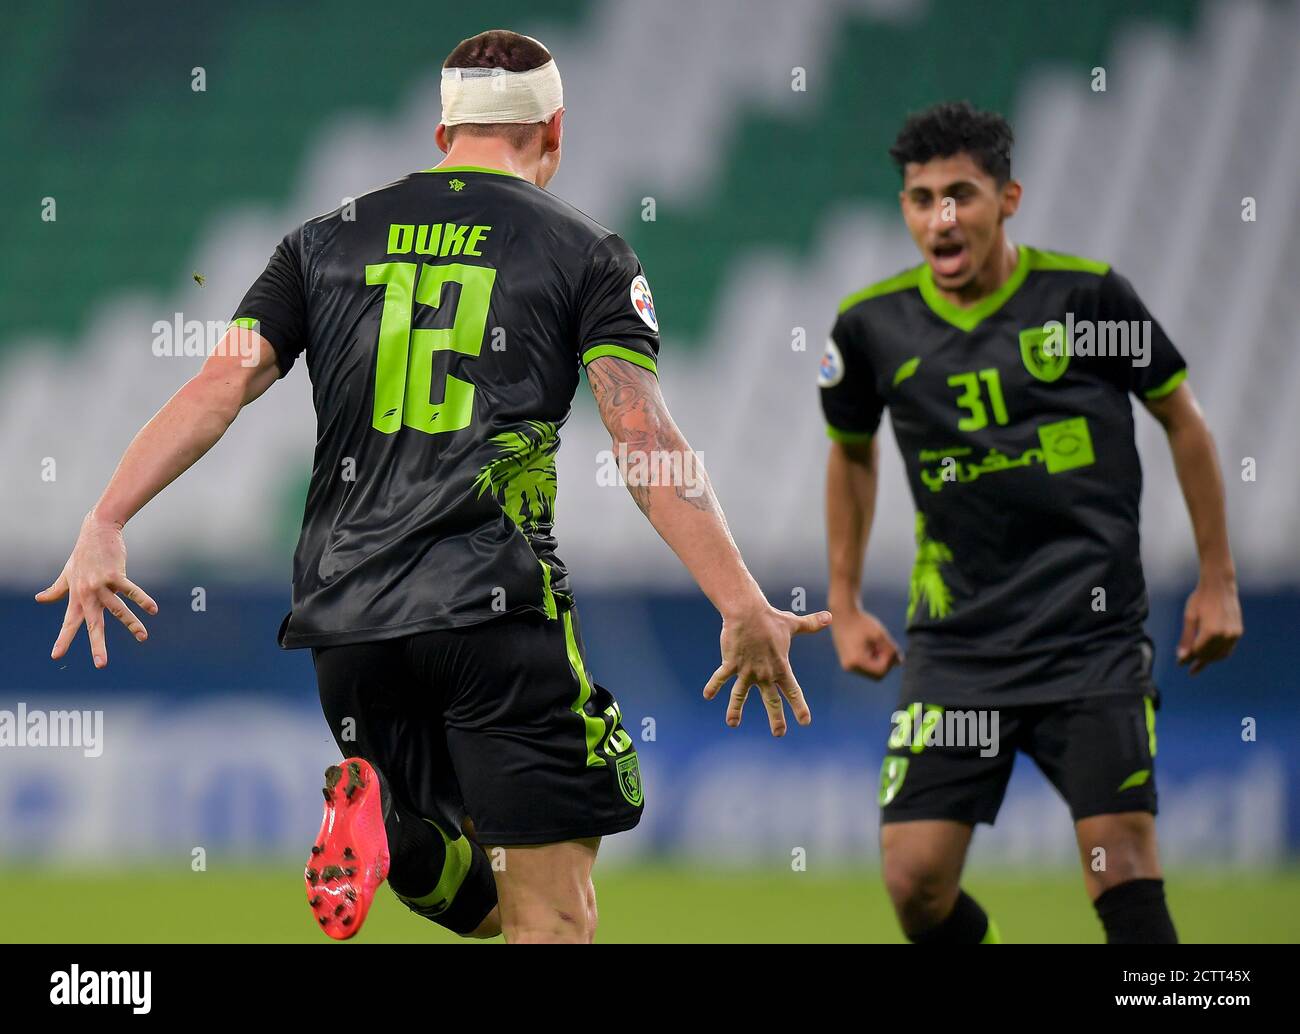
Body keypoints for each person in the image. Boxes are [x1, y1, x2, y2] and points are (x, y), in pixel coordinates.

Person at [37, 29, 829, 944]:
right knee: (554, 922)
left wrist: (105, 517)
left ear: (442, 128)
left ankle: (401, 840)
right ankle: (403, 837)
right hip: (492, 612)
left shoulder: (319, 241)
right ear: (555, 130)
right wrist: (739, 599)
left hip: (349, 628)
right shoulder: (586, 253)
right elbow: (641, 437)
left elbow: (217, 390)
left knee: (478, 903)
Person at [820, 101, 1242, 944]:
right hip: (958, 643)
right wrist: (845, 596)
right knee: (914, 883)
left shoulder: (1087, 297)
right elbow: (853, 453)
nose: (941, 218)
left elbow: (1183, 420)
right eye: (921, 198)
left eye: (962, 195)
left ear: (1008, 198)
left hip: (1089, 637)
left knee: (1116, 863)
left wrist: (1218, 577)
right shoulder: (870, 328)